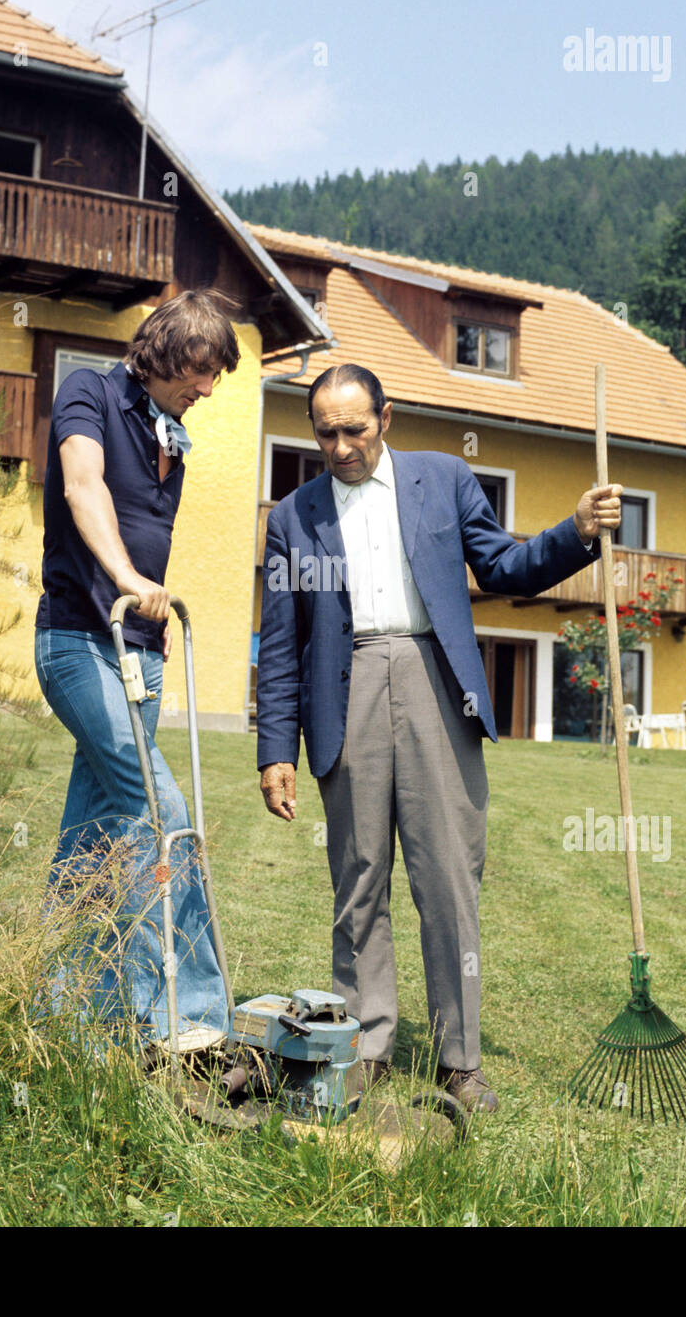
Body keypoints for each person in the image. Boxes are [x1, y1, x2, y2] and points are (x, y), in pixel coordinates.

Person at [256, 363, 622, 1111]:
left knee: (450, 880)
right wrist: (273, 751)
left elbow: (505, 567)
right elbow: (282, 642)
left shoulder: (444, 480)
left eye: (354, 429)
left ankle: (459, 1059)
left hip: (433, 679)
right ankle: (366, 1045)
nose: (340, 446)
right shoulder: (295, 517)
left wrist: (577, 532)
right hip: (345, 689)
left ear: (385, 417)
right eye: (325, 432)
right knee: (359, 882)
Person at [34, 289, 240, 1054]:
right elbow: (84, 487)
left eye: (218, 375)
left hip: (139, 656)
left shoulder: (172, 435)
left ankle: (63, 1015)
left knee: (92, 841)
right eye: (202, 369)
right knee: (164, 814)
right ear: (164, 349)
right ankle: (181, 1017)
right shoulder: (88, 391)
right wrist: (125, 577)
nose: (209, 388)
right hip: (79, 644)